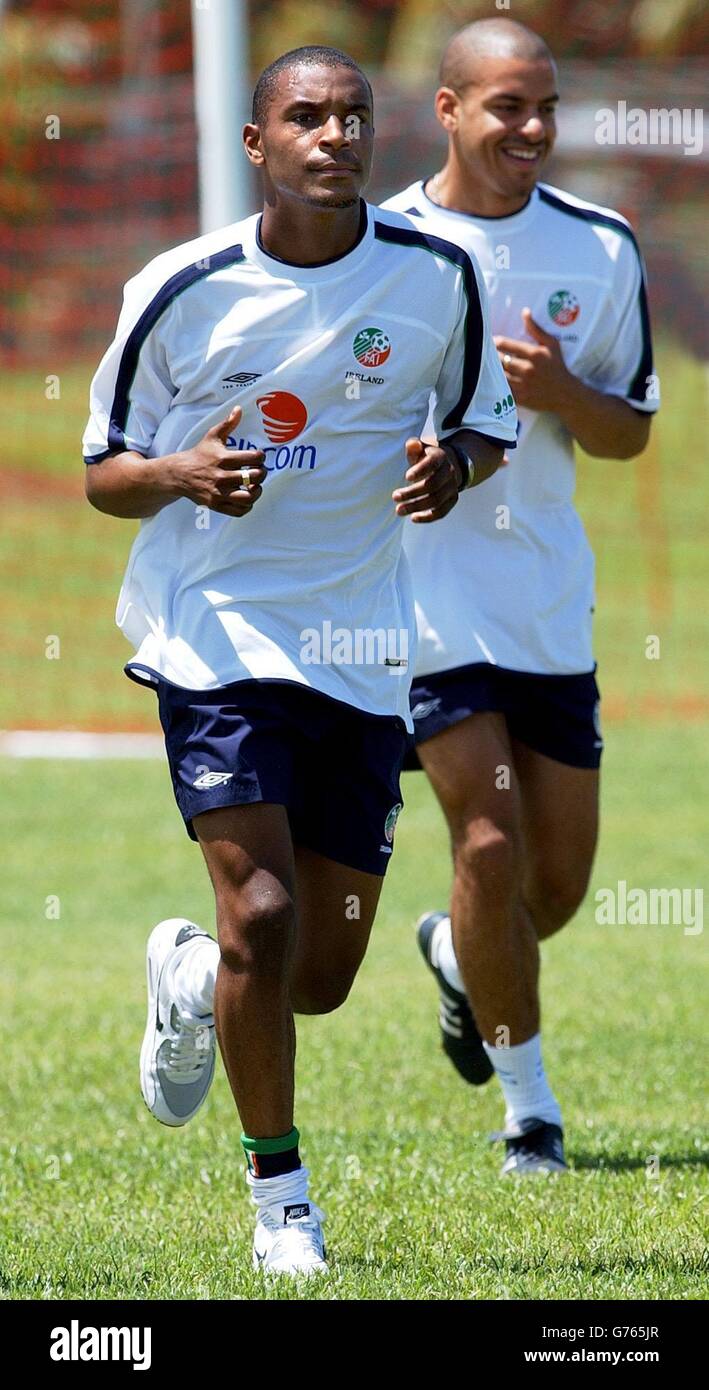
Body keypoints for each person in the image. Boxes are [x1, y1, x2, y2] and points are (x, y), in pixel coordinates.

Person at [83, 45, 517, 1274]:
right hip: (215, 634)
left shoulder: (437, 275)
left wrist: (451, 467)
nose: (335, 136)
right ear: (256, 144)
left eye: (353, 117)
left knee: (315, 975)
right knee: (262, 914)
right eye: (307, 118)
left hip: (362, 647)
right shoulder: (182, 287)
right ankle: (283, 1205)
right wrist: (180, 473)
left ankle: (187, 974)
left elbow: (485, 423)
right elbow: (104, 471)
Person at [384, 18, 658, 1174]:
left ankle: (459, 953)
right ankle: (530, 1116)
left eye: (545, 105)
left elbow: (628, 431)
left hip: (543, 599)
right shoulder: (381, 243)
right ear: (447, 109)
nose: (533, 127)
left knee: (553, 886)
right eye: (507, 105)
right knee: (488, 844)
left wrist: (561, 391)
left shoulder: (598, 245)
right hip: (419, 600)